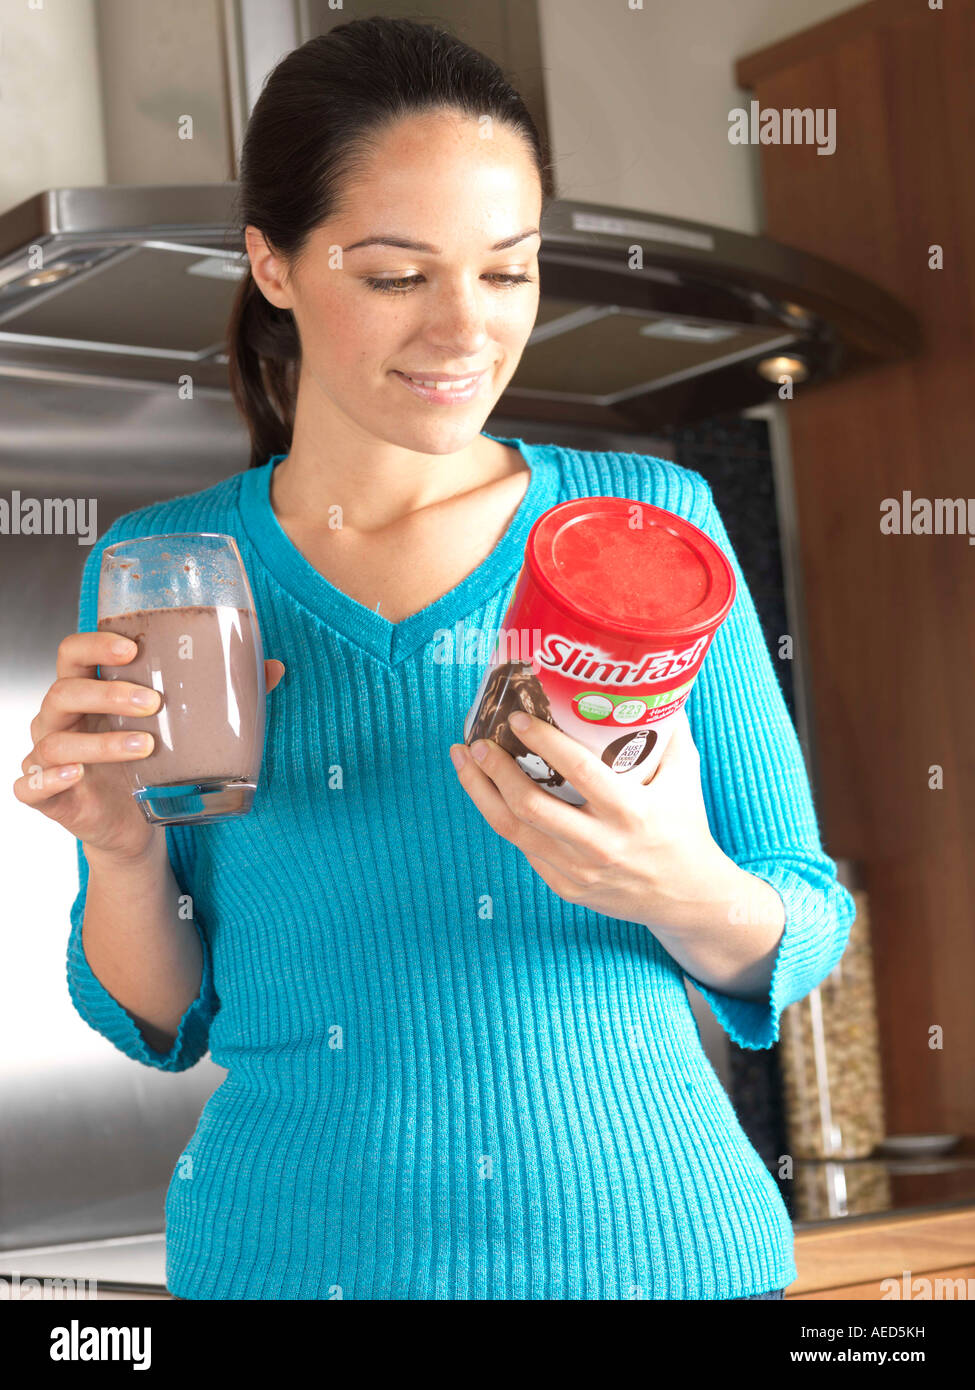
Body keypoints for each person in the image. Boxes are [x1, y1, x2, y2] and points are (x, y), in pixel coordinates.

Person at [14, 18, 853, 1300]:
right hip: (289, 1260)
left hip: (656, 1253)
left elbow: (798, 917)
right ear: (274, 266)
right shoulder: (172, 567)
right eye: (398, 275)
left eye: (508, 272)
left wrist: (677, 882)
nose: (466, 329)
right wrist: (120, 851)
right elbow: (161, 1016)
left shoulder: (648, 526)